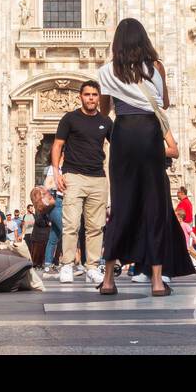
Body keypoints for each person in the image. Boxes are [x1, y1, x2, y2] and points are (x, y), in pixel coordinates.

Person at [95, 18, 195, 297]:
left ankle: (107, 280)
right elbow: (163, 102)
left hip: (123, 135)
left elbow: (104, 112)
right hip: (149, 133)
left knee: (121, 204)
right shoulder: (156, 67)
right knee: (154, 204)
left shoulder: (105, 71)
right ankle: (157, 281)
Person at [49, 80, 112, 285]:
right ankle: (67, 265)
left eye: (95, 95)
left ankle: (92, 267)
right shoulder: (70, 119)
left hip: (98, 179)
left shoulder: (106, 121)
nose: (91, 98)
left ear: (98, 97)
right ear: (81, 97)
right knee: (71, 224)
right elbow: (57, 145)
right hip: (73, 176)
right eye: (87, 94)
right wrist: (57, 173)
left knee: (96, 227)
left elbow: (118, 146)